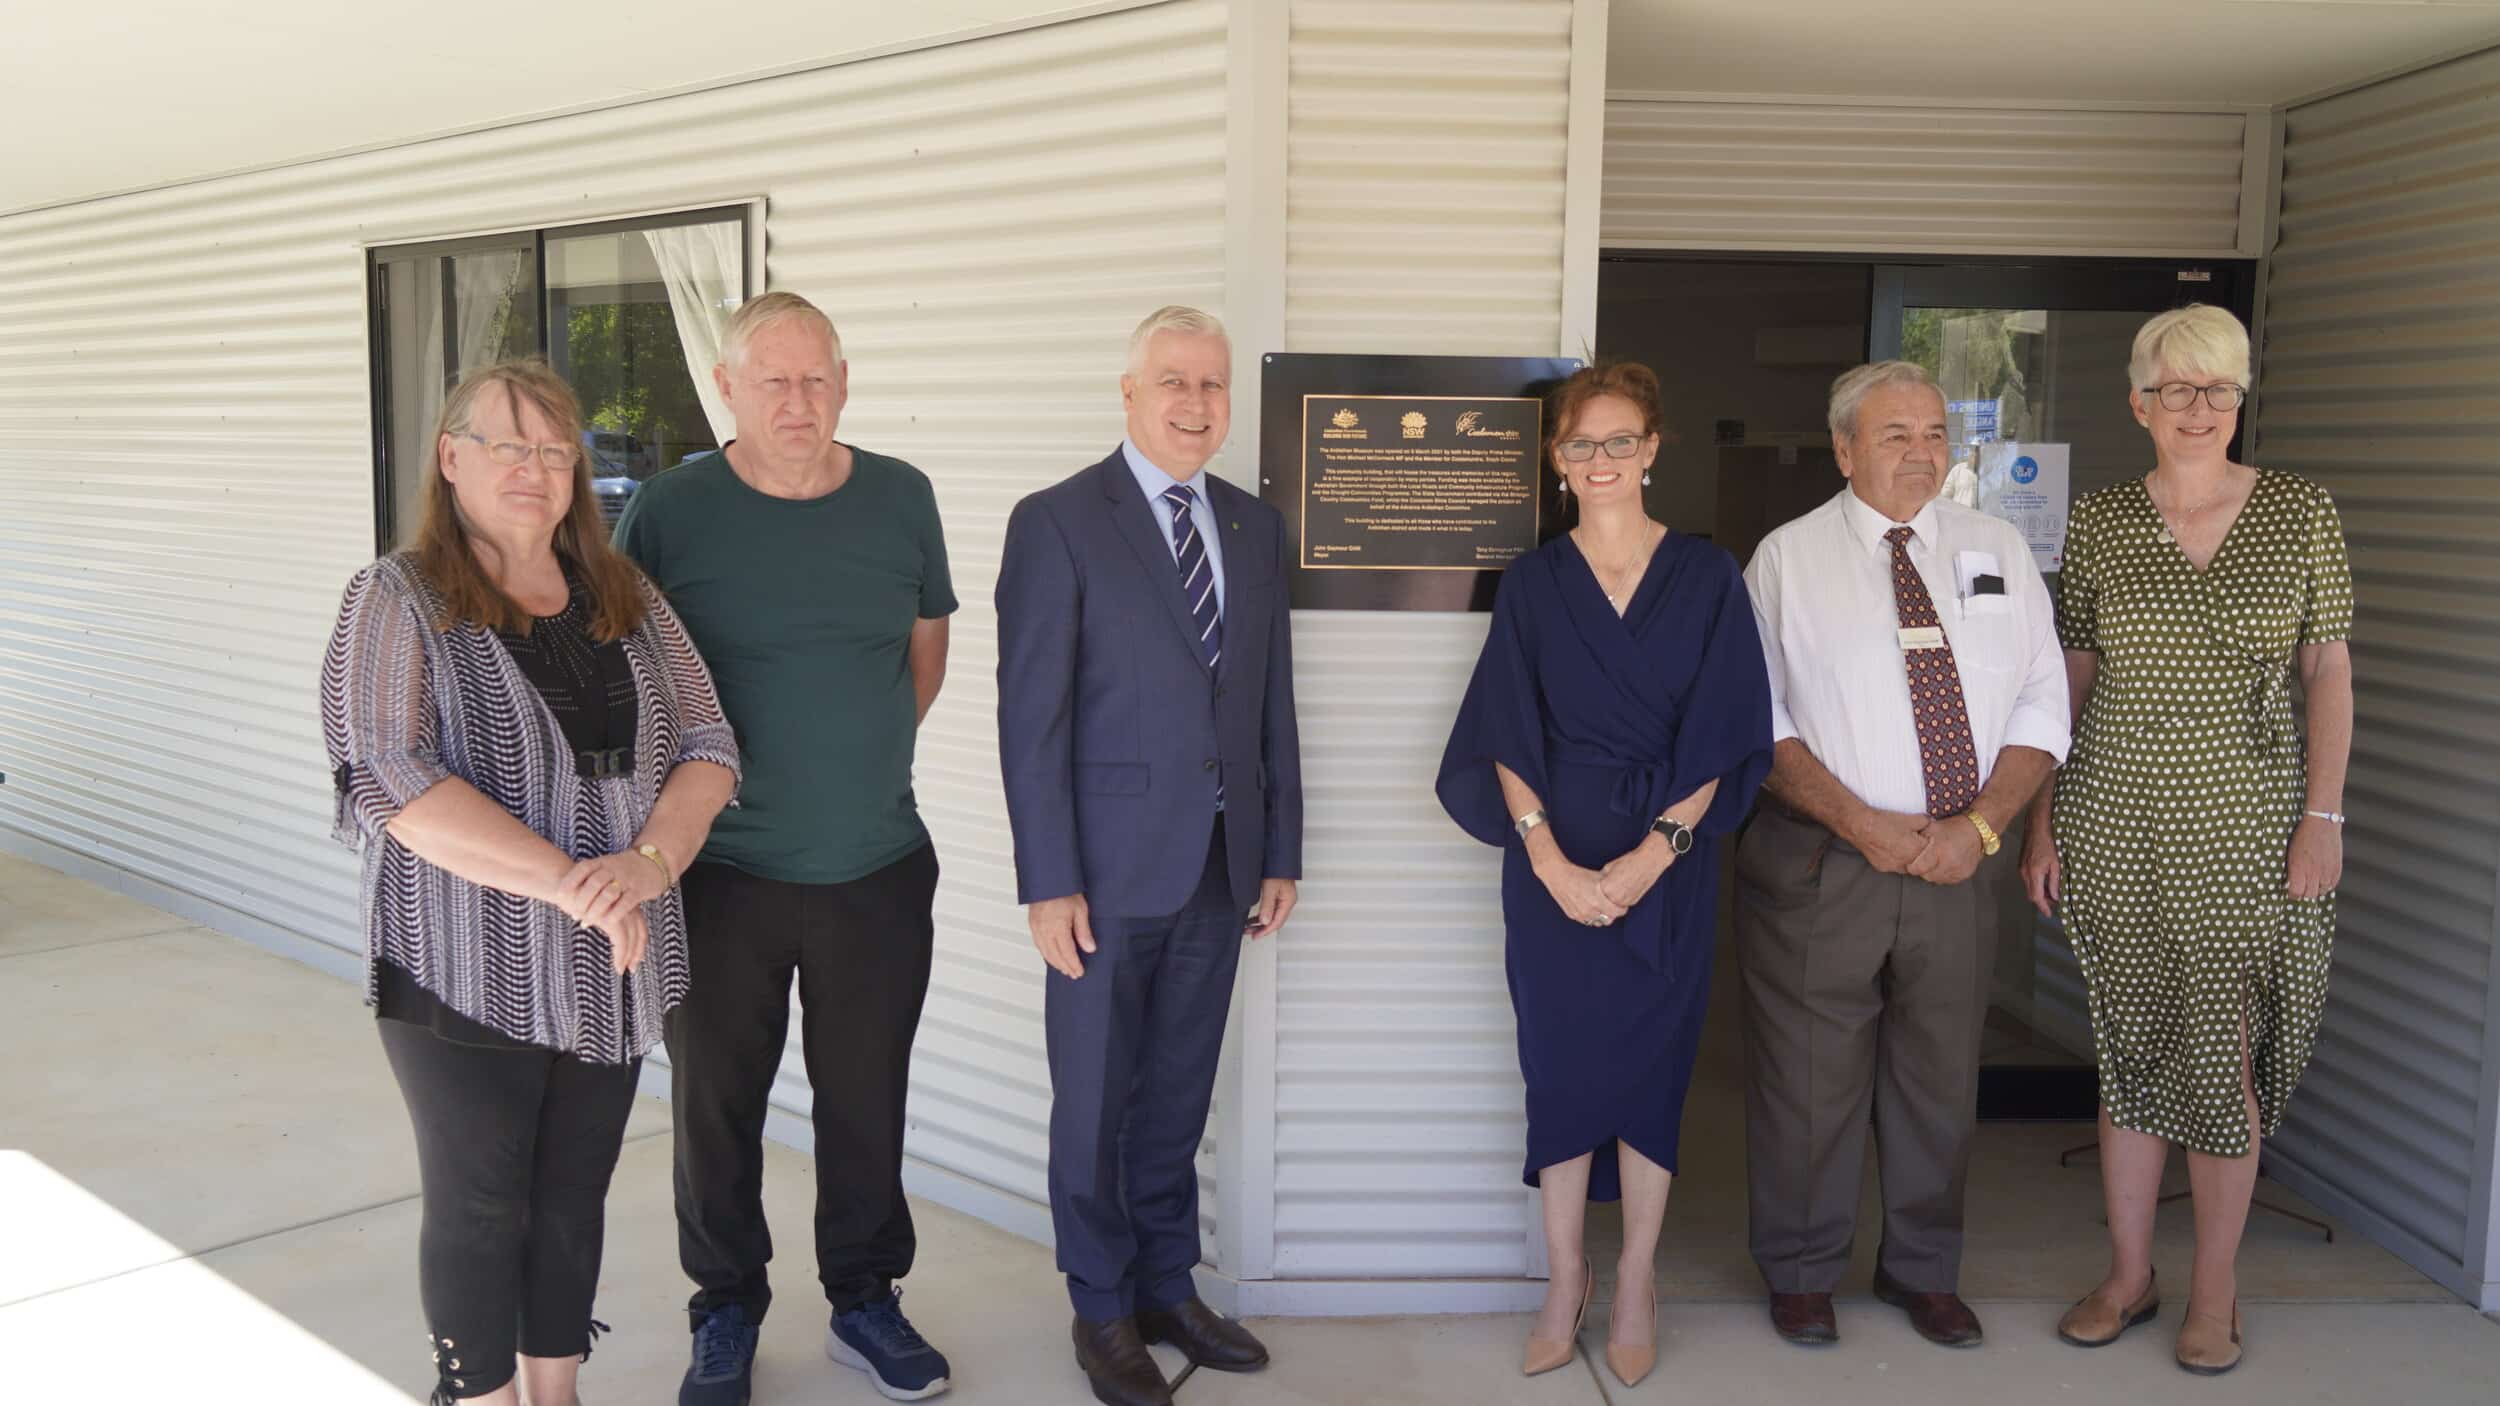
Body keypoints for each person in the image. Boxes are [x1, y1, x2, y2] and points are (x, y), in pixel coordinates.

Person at [319, 359, 740, 1406]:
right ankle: (482, 1395)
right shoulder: (397, 595)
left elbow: (708, 739)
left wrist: (645, 864)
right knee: (479, 1200)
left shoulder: (626, 594)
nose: (534, 468)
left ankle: (556, 1391)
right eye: (508, 444)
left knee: (570, 1194)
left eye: (556, 450)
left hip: (611, 960)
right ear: (451, 457)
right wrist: (568, 881)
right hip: (461, 960)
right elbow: (388, 772)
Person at [615, 292, 959, 1405]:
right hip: (718, 875)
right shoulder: (669, 512)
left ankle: (864, 1299)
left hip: (874, 864)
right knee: (717, 1107)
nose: (798, 400)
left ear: (845, 383)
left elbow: (922, 656)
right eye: (774, 380)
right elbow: (631, 679)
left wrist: (850, 769)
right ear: (728, 388)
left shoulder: (902, 498)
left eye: (817, 378)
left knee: (868, 1098)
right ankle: (724, 1309)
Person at [2027, 305, 2353, 1376]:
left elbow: (2329, 675)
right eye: (2176, 388)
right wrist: (2041, 813)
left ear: (2240, 398)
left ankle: (2213, 1288)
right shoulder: (2102, 520)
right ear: (2139, 404)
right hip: (2113, 805)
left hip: (2250, 816)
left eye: (2217, 387)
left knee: (2221, 1051)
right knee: (2126, 1045)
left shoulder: (2301, 512)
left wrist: (2323, 814)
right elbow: (2068, 679)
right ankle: (2129, 1274)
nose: (2199, 407)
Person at [1435, 361, 1772, 1387]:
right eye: (1580, 444)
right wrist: (1546, 858)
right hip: (1551, 871)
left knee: (1652, 1071)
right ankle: (1564, 1273)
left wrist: (1648, 857)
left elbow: (1723, 734)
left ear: (1654, 449)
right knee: (1562, 1066)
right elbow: (1502, 728)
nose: (1601, 461)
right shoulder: (1534, 581)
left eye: (1620, 440)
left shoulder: (1708, 577)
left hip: (1665, 867)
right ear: (1556, 459)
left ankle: (1635, 1278)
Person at [995, 305, 1302, 1406]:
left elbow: (1270, 703)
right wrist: (1046, 878)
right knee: (1094, 1098)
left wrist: (1280, 848)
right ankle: (1101, 1305)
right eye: (1171, 380)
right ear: (1128, 394)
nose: (1194, 401)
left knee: (1175, 1092)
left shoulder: (1254, 529)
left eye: (1213, 384)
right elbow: (1030, 717)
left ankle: (1168, 1283)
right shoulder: (1061, 521)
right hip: (1101, 875)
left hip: (1223, 868)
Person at [1738, 360, 2070, 1350]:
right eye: (1894, 434)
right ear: (1843, 447)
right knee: (1807, 1080)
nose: (1920, 451)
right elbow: (1755, 718)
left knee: (1937, 1079)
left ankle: (1922, 1268)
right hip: (1824, 862)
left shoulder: (1997, 545)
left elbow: (2043, 701)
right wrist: (1862, 822)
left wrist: (1979, 827)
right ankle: (1800, 1271)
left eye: (1933, 432)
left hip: (1954, 862)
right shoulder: (1785, 558)